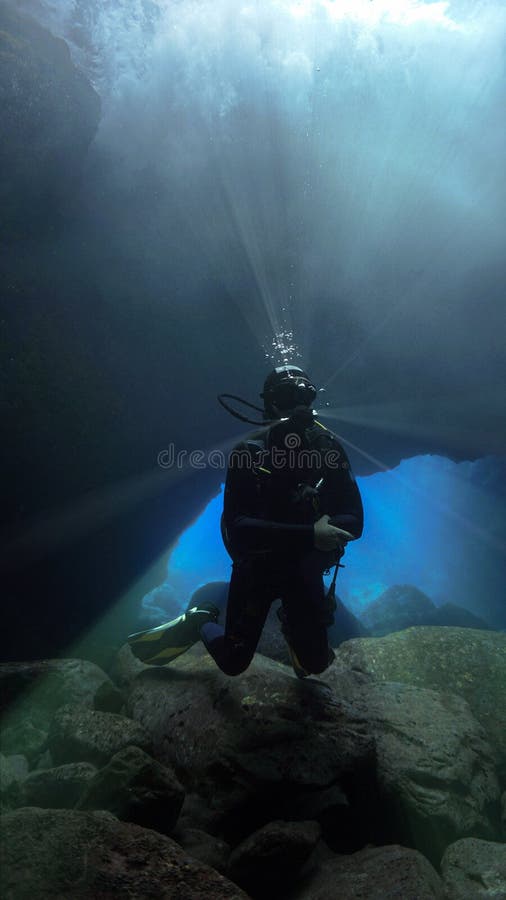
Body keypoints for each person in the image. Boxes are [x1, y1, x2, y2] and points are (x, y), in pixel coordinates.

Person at [128, 365, 363, 677]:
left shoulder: (328, 449)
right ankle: (200, 619)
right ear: (269, 404)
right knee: (233, 662)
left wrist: (313, 536)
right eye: (286, 397)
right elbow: (238, 527)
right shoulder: (249, 452)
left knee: (316, 664)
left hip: (303, 567)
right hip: (258, 565)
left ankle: (292, 623)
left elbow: (355, 521)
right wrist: (311, 534)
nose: (298, 406)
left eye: (305, 396)